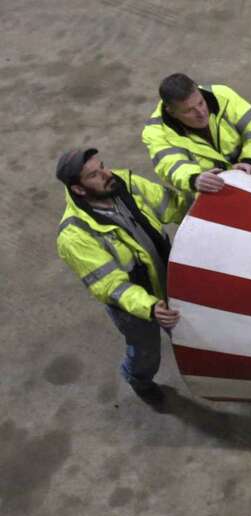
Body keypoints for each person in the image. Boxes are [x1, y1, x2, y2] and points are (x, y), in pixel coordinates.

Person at [55, 148, 188, 409]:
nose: (107, 174)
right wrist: (149, 307)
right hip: (135, 308)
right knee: (145, 351)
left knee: (187, 334)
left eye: (103, 166)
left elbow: (171, 205)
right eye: (95, 174)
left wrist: (209, 210)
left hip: (168, 280)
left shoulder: (123, 184)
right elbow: (109, 285)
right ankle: (139, 380)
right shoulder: (74, 235)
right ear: (79, 190)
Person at [142, 73, 251, 195]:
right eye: (189, 111)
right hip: (209, 193)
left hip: (247, 177)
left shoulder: (221, 95)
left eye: (201, 103)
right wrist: (195, 179)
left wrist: (249, 160)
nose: (201, 113)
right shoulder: (156, 133)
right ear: (171, 112)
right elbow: (172, 165)